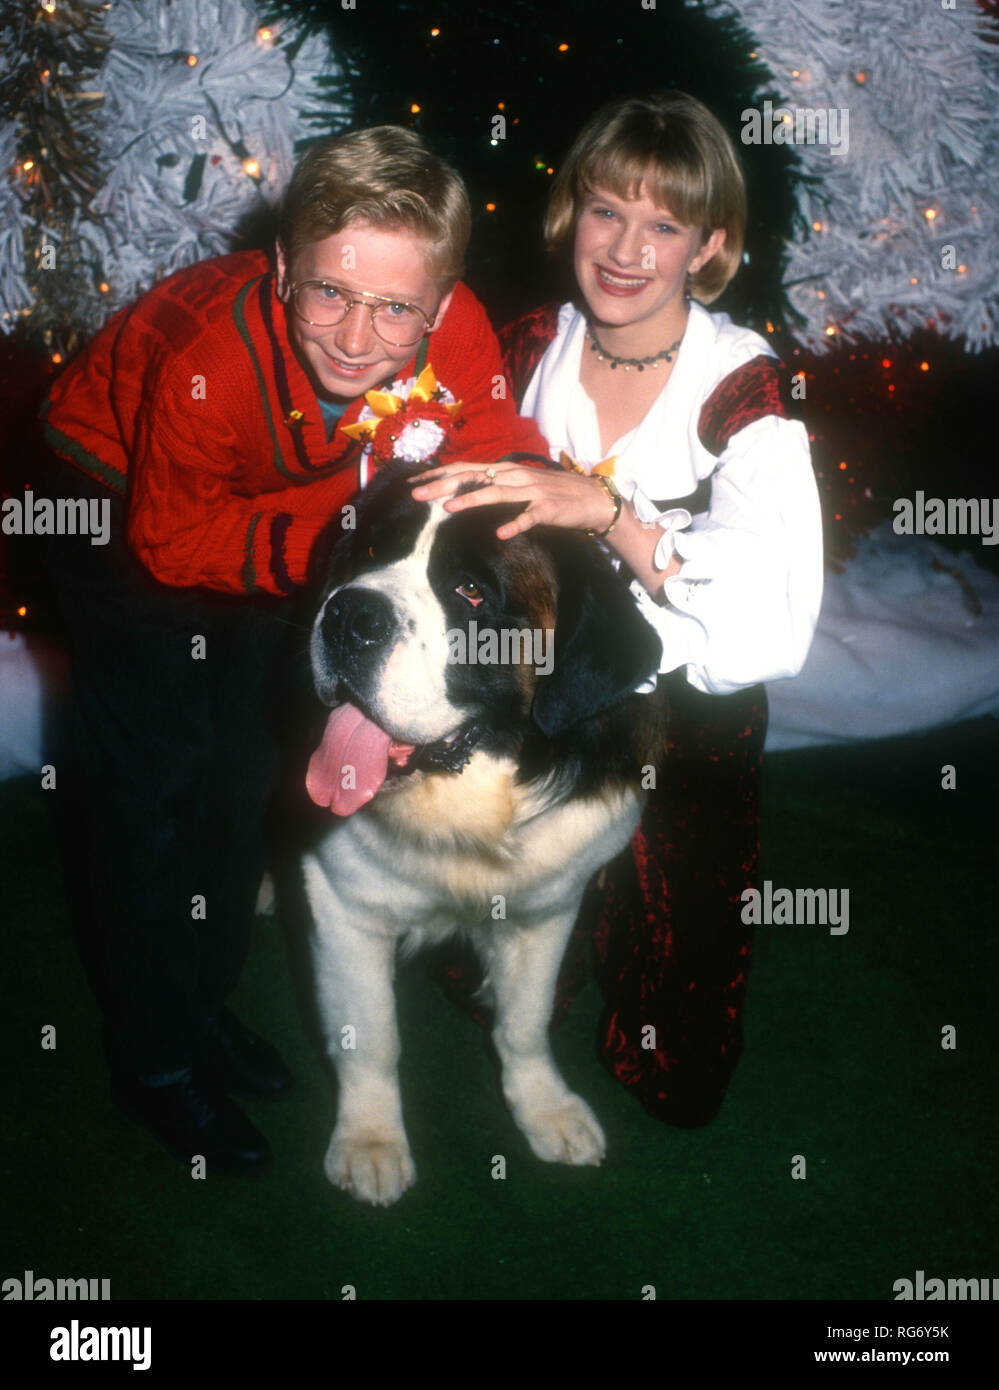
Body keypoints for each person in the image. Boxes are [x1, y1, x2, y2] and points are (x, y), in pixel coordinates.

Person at [38, 125, 551, 1171]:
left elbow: (500, 454)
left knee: (249, 769)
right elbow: (172, 540)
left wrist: (565, 513)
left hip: (290, 514)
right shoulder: (209, 362)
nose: (359, 338)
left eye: (395, 306)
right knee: (151, 791)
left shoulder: (455, 333)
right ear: (282, 268)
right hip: (116, 501)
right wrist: (337, 548)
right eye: (328, 293)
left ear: (442, 304)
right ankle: (155, 1059)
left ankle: (198, 1003)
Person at [412, 92, 823, 1127]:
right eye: (607, 212)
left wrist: (609, 512)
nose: (628, 250)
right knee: (518, 914)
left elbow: (772, 611)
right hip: (564, 684)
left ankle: (664, 1040)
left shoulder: (745, 388)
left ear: (710, 245)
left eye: (665, 225)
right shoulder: (528, 343)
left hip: (692, 705)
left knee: (685, 924)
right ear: (571, 215)